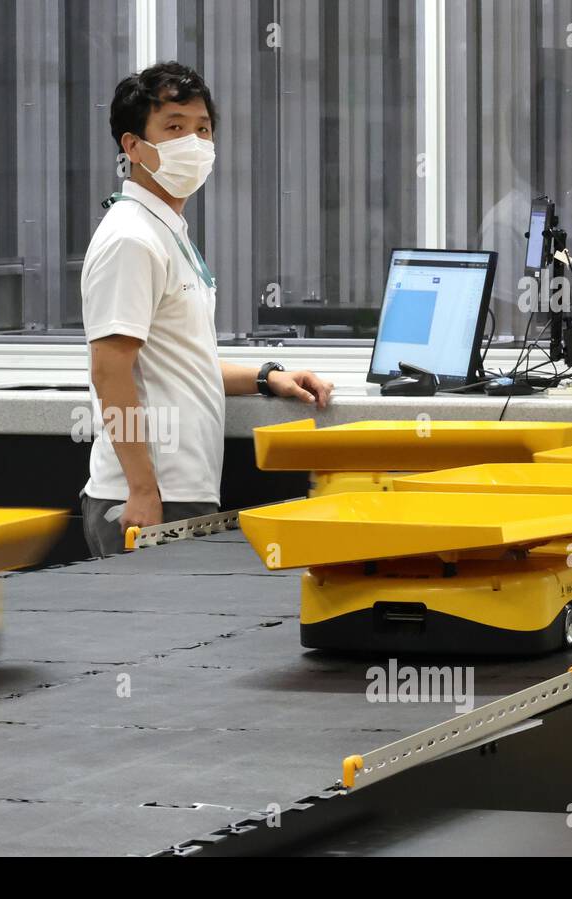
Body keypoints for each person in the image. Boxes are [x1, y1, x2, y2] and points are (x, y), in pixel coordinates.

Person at [79, 62, 333, 558]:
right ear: (132, 146)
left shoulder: (166, 231)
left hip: (181, 489)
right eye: (174, 128)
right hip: (146, 497)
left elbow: (177, 361)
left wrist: (266, 377)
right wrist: (143, 489)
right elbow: (110, 372)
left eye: (203, 129)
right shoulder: (131, 238)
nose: (193, 142)